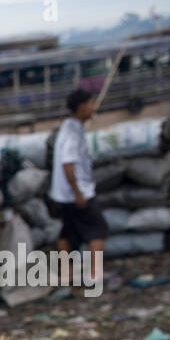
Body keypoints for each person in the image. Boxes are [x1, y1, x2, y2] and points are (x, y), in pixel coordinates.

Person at [49, 89, 108, 288]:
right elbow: (68, 164)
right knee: (98, 230)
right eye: (91, 103)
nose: (93, 108)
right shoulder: (72, 133)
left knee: (68, 234)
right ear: (82, 106)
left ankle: (67, 276)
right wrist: (78, 193)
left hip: (63, 194)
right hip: (77, 193)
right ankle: (94, 275)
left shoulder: (69, 128)